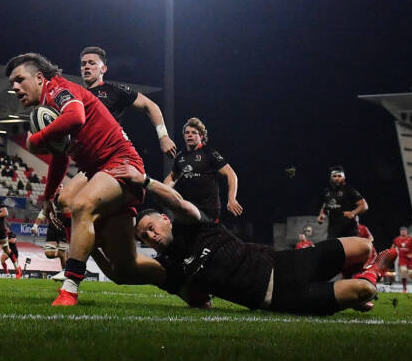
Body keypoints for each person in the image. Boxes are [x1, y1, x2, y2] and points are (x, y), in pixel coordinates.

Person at [120, 165, 397, 315]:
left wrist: (145, 181)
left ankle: (364, 273)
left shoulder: (194, 224)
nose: (150, 236)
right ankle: (371, 275)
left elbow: (178, 202)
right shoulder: (169, 266)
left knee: (364, 246)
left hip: (286, 262)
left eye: (150, 228)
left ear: (165, 219)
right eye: (144, 236)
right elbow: (123, 271)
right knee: (364, 290)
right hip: (283, 298)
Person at [7, 52, 164, 305]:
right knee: (125, 269)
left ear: (39, 78)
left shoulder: (58, 89)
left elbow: (76, 116)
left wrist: (35, 140)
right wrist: (48, 195)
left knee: (80, 204)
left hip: (121, 165)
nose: (15, 87)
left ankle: (70, 287)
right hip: (101, 174)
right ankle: (182, 282)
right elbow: (60, 158)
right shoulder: (47, 107)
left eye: (19, 79)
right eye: (12, 83)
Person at [78, 46, 177, 157]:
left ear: (103, 69)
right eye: (83, 64)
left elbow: (150, 105)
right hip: (88, 156)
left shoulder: (114, 91)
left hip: (112, 155)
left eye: (92, 63)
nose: (86, 67)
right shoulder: (76, 95)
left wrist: (163, 137)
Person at [161, 117, 242, 222]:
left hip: (208, 211)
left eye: (194, 133)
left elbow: (231, 174)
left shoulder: (209, 153)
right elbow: (172, 177)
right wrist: (162, 192)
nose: (190, 135)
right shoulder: (180, 157)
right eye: (187, 133)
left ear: (201, 136)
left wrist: (231, 198)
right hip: (188, 209)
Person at [317, 166, 367, 239]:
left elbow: (364, 205)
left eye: (339, 176)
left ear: (344, 177)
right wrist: (321, 215)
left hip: (349, 230)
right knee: (332, 246)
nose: (337, 178)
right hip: (333, 231)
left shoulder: (349, 190)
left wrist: (353, 213)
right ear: (330, 177)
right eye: (334, 176)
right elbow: (325, 206)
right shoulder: (326, 192)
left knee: (351, 246)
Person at [392, 226, 412, 292]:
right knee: (403, 271)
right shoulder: (397, 239)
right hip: (402, 259)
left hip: (410, 259)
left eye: (404, 231)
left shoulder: (411, 239)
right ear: (400, 232)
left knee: (411, 274)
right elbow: (392, 247)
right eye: (402, 231)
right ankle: (404, 289)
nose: (403, 232)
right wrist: (392, 253)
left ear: (406, 232)